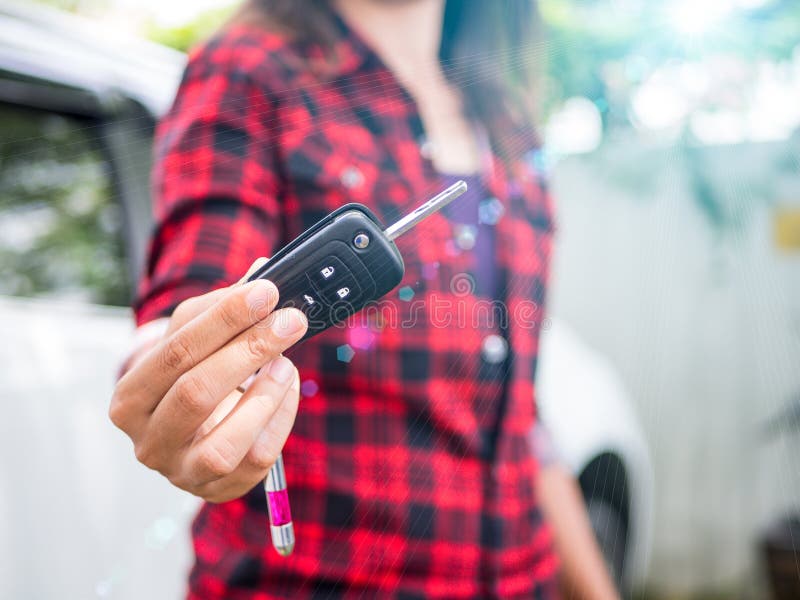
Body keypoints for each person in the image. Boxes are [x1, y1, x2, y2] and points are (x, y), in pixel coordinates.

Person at [110, 0, 618, 597]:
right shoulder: (251, 70)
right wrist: (180, 385)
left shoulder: (508, 125)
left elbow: (517, 416)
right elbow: (193, 292)